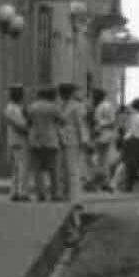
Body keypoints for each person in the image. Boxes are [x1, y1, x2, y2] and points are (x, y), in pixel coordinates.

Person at [57, 83, 90, 221]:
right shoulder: (61, 105)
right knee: (64, 170)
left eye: (64, 92)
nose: (62, 95)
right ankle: (66, 196)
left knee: (73, 171)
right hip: (63, 140)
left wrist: (84, 140)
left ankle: (76, 199)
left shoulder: (77, 106)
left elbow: (81, 124)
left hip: (74, 140)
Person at [26, 87, 63, 202]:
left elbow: (28, 122)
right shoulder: (54, 107)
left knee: (37, 169)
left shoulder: (32, 107)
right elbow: (61, 120)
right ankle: (55, 193)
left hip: (35, 140)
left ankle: (40, 193)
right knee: (53, 169)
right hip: (51, 140)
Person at [3, 84, 30, 203]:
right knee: (22, 168)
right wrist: (29, 126)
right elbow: (21, 124)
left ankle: (14, 192)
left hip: (14, 140)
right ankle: (22, 192)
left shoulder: (13, 107)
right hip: (19, 140)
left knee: (15, 169)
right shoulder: (13, 109)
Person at [88, 88, 117, 192]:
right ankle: (103, 181)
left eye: (94, 96)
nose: (92, 98)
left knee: (101, 159)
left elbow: (112, 121)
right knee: (100, 159)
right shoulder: (100, 106)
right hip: (101, 134)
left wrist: (99, 127)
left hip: (104, 135)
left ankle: (101, 181)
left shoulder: (106, 106)